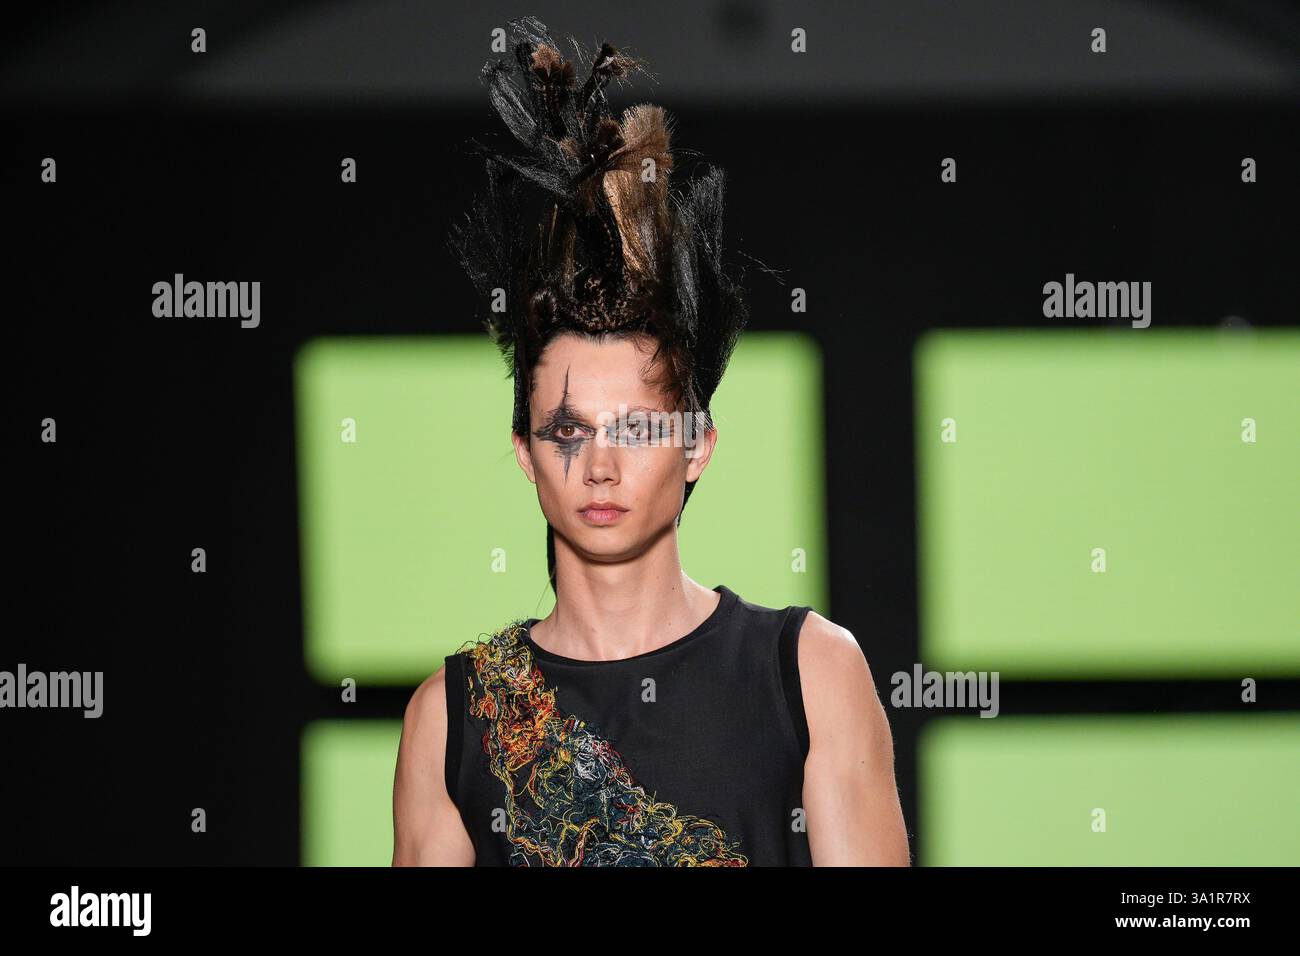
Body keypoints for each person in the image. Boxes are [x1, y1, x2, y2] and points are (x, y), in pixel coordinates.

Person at [392, 16, 908, 866]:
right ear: (525, 452)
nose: (599, 464)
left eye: (636, 428)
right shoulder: (455, 716)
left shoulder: (808, 673)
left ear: (696, 446)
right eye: (567, 430)